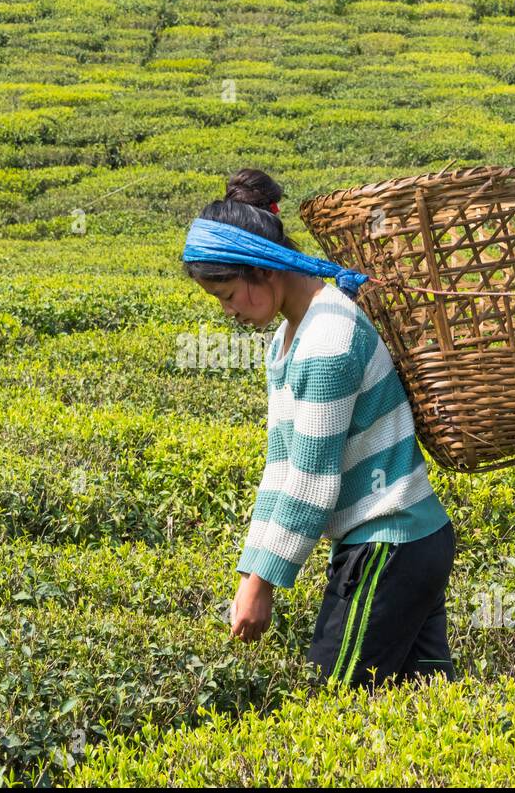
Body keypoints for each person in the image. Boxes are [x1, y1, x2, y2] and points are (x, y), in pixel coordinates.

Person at [181, 167, 458, 690]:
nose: (229, 311)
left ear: (262, 270)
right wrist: (250, 570)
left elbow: (312, 482)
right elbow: (280, 469)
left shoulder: (328, 336)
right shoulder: (288, 338)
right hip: (408, 543)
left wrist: (264, 584)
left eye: (228, 294)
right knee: (424, 702)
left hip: (389, 545)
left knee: (334, 700)